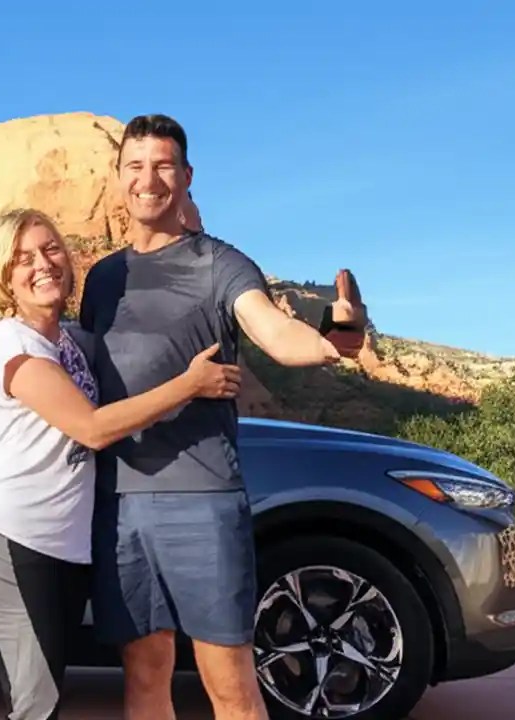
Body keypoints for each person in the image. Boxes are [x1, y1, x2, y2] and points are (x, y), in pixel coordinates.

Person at [80, 114, 367, 720]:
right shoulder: (103, 279)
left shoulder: (219, 264)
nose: (148, 179)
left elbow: (274, 331)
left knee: (228, 681)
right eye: (135, 166)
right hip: (119, 503)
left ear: (186, 177)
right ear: (118, 177)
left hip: (202, 501)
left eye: (163, 166)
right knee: (145, 671)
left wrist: (330, 338)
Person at [0, 207, 246, 720]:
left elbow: (143, 347)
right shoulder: (12, 344)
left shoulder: (67, 342)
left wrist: (187, 239)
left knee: (49, 693)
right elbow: (92, 427)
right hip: (12, 541)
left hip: (65, 550)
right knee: (36, 705)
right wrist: (189, 386)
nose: (43, 264)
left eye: (50, 250)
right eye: (23, 259)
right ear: (3, 277)